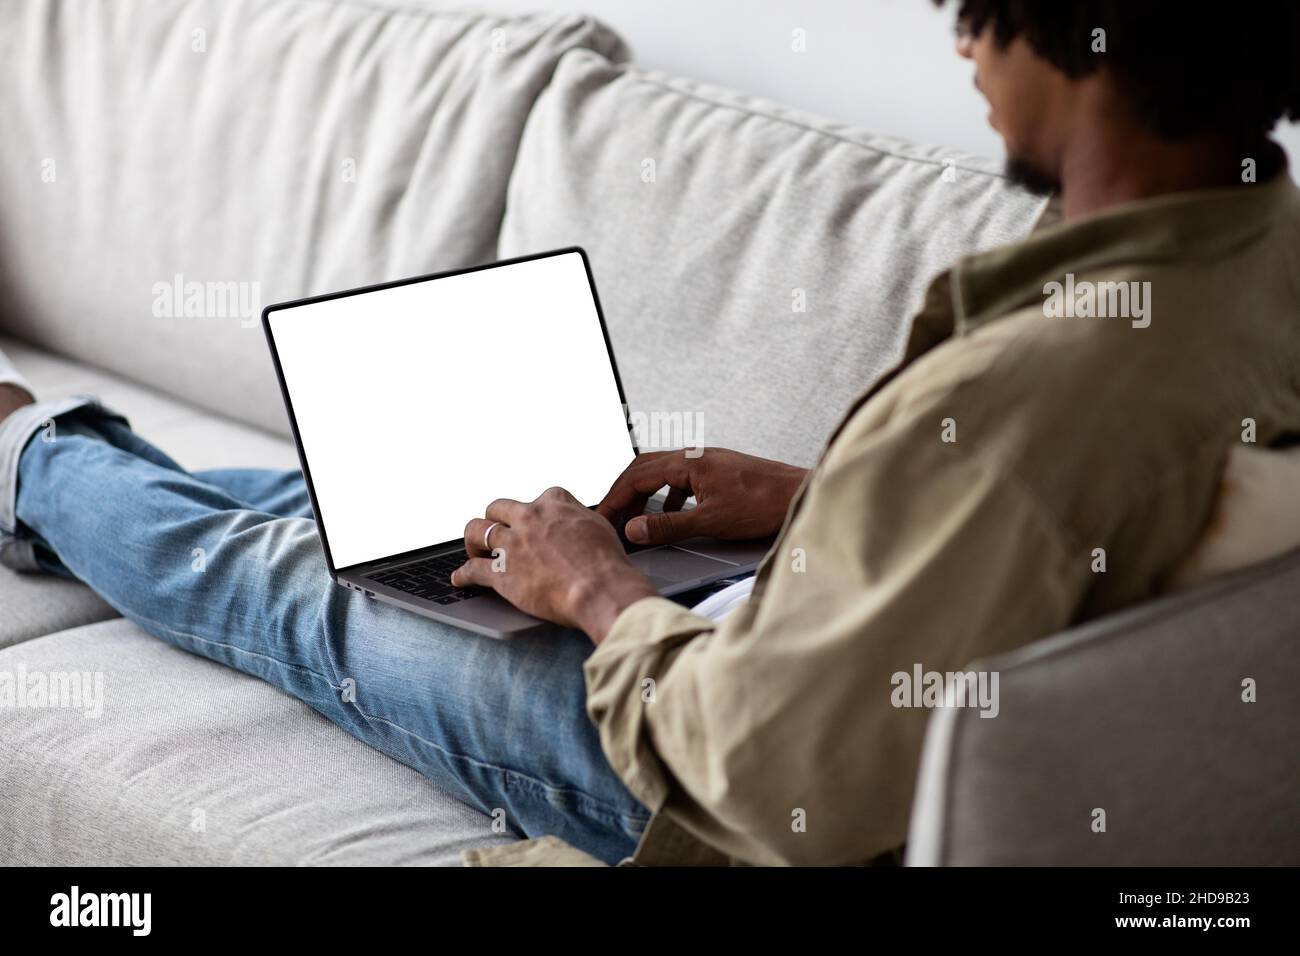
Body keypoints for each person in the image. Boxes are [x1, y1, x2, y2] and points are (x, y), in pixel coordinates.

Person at [1, 1, 1297, 866]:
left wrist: (600, 591)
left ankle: (28, 455)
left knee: (293, 584)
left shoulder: (1035, 388)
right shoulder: (1255, 253)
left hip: (688, 774)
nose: (958, 38)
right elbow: (1073, 529)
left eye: (980, 6)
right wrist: (822, 497)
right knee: (341, 508)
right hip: (780, 631)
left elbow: (774, 771)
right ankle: (93, 472)